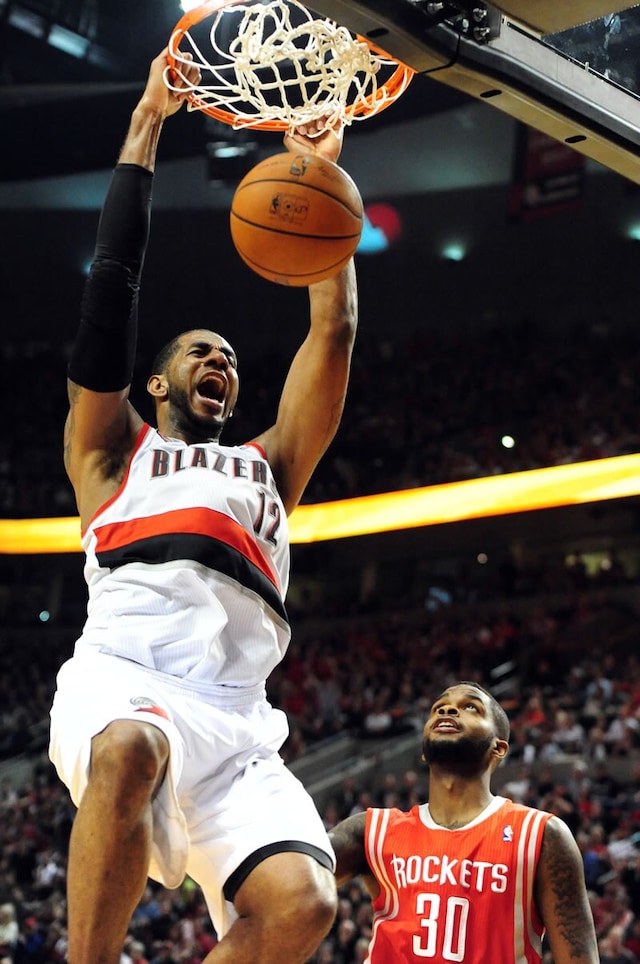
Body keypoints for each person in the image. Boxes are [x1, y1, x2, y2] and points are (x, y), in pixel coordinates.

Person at [48, 47, 358, 964]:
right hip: (124, 679)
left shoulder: (272, 465)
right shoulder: (112, 452)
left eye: (229, 355)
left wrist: (325, 169)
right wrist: (146, 126)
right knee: (134, 748)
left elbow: (332, 329)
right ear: (154, 383)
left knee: (303, 906)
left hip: (236, 718)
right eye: (199, 352)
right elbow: (111, 293)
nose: (220, 360)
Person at [329, 681, 599, 963]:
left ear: (499, 748)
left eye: (470, 707)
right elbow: (296, 876)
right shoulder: (373, 830)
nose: (447, 709)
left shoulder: (541, 835)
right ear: (423, 751)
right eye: (438, 708)